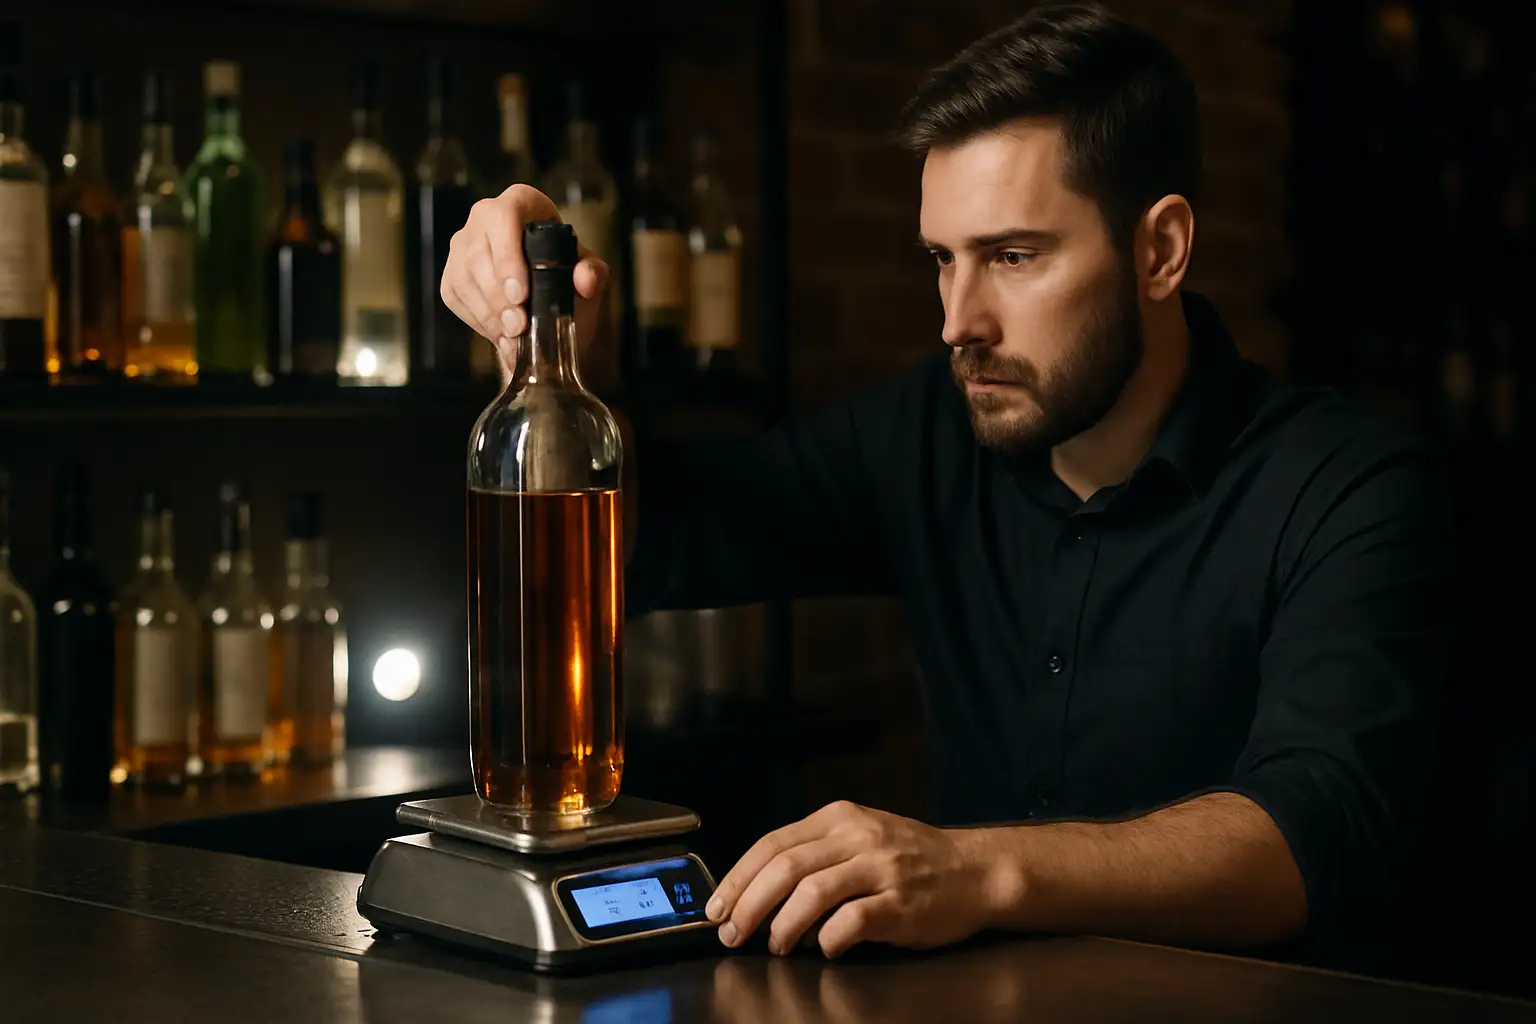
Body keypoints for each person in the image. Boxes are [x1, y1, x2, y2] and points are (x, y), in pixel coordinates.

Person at [439, 2, 1450, 975]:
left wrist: (971, 867)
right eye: (940, 260)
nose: (958, 319)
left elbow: (1314, 834)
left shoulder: (1346, 486)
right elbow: (655, 539)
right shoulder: (927, 434)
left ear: (1161, 249)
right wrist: (544, 345)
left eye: (1013, 256)